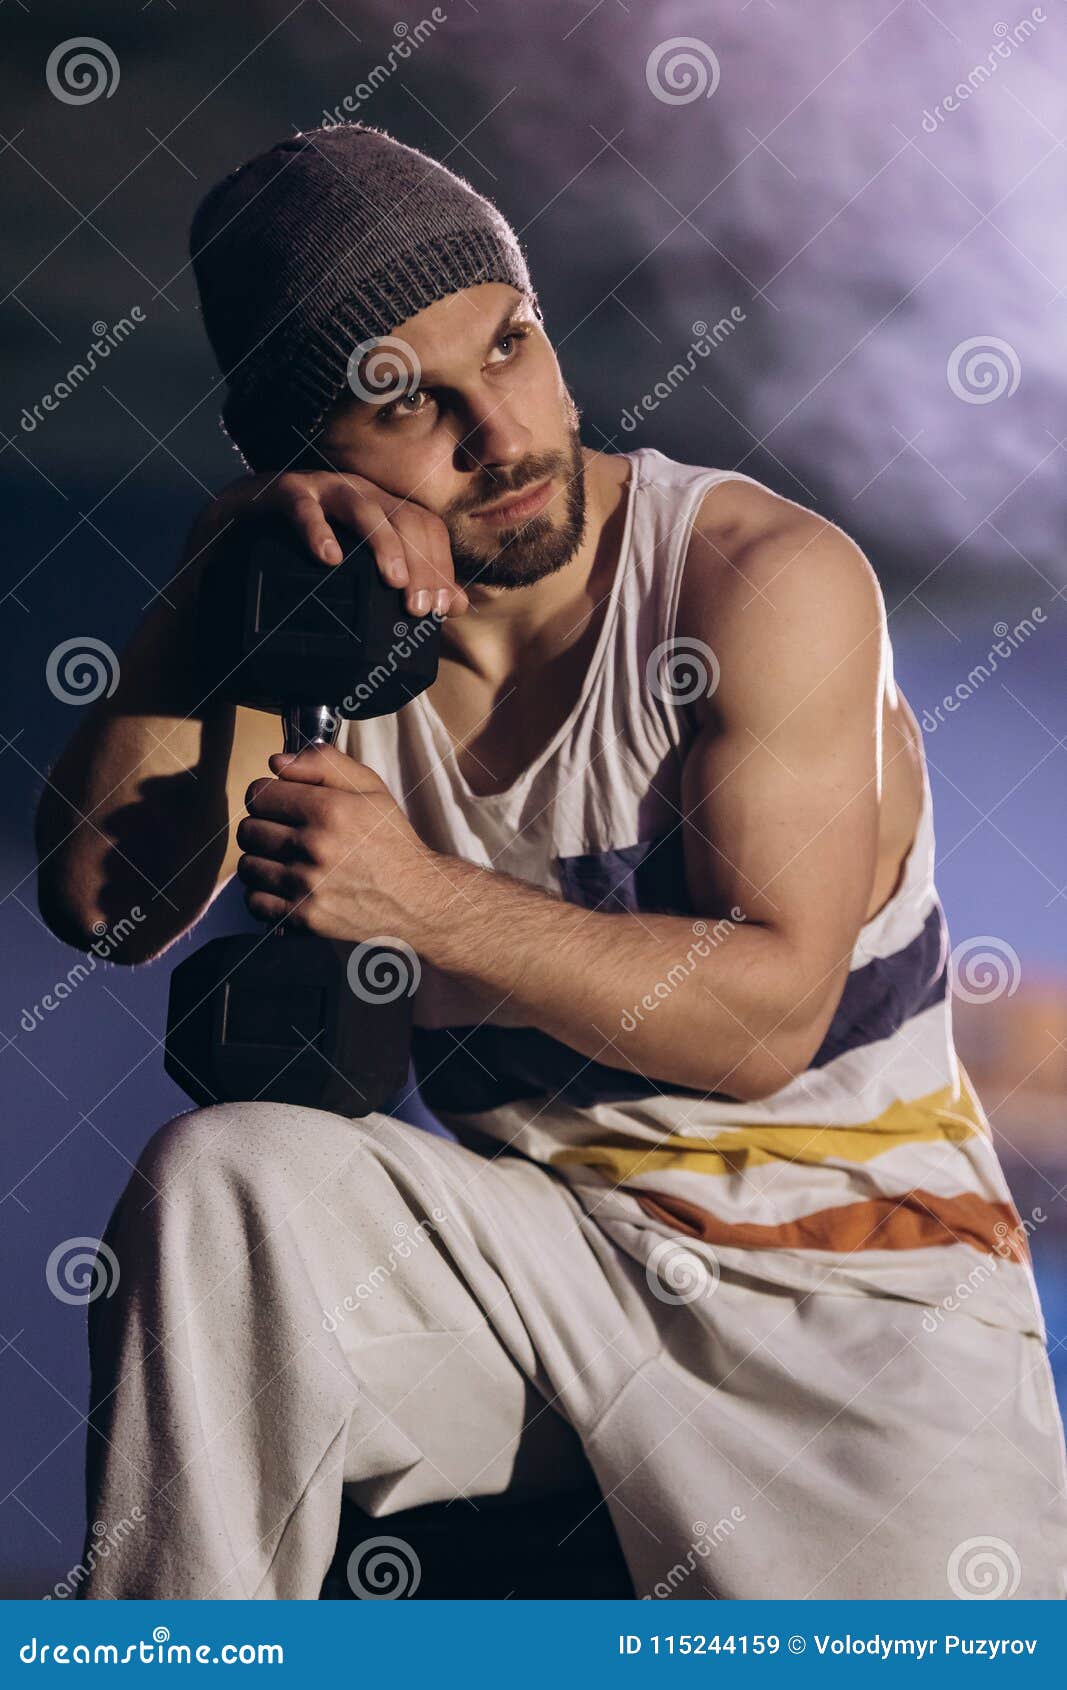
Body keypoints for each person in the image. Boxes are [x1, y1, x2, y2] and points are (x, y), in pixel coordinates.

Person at [36, 122, 1067, 1601]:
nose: (503, 432)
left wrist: (421, 898)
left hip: (856, 1309)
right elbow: (103, 906)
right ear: (302, 452)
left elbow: (767, 1011)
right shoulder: (323, 635)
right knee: (232, 1181)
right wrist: (212, 591)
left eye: (510, 347)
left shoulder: (755, 581)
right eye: (414, 406)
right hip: (550, 1273)